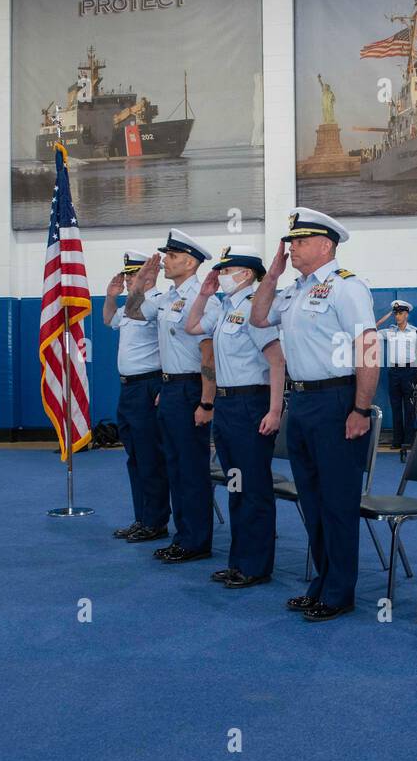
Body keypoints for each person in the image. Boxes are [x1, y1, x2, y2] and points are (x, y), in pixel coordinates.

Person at [250, 208, 380, 622]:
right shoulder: (293, 289)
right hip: (302, 403)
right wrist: (271, 275)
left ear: (326, 245)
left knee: (338, 502)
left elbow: (369, 349)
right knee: (312, 500)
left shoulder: (347, 288)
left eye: (300, 241)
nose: (291, 248)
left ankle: (340, 591)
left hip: (337, 401)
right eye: (290, 242)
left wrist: (361, 409)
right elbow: (257, 317)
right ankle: (322, 582)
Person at [185, 245, 285, 589]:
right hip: (227, 406)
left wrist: (274, 410)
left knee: (253, 487)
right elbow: (192, 325)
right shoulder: (226, 307)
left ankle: (255, 565)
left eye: (227, 272)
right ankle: (239, 561)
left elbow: (277, 361)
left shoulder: (255, 308)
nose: (222, 276)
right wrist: (203, 293)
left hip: (250, 404)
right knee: (236, 485)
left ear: (245, 274)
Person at [123, 230, 221, 566]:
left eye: (171, 256)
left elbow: (208, 354)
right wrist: (140, 285)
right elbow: (134, 312)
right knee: (175, 466)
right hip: (169, 389)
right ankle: (184, 536)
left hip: (192, 387)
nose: (164, 261)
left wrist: (206, 403)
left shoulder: (203, 298)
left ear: (190, 261)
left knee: (192, 468)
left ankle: (196, 541)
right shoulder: (168, 296)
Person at [104, 250, 170, 543]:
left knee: (150, 457)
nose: (131, 279)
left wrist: (163, 388)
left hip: (148, 385)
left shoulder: (158, 302)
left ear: (150, 274)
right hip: (128, 388)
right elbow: (109, 320)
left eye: (136, 274)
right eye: (129, 275)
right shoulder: (130, 305)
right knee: (134, 457)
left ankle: (156, 521)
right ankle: (141, 517)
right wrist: (110, 295)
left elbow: (173, 347)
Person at [375, 299, 417, 448]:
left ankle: (409, 440)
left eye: (400, 313)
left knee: (409, 407)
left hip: (409, 371)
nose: (397, 316)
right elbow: (372, 330)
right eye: (395, 313)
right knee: (395, 406)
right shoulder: (389, 331)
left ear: (406, 315)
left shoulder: (415, 332)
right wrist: (386, 316)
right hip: (394, 372)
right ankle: (397, 440)